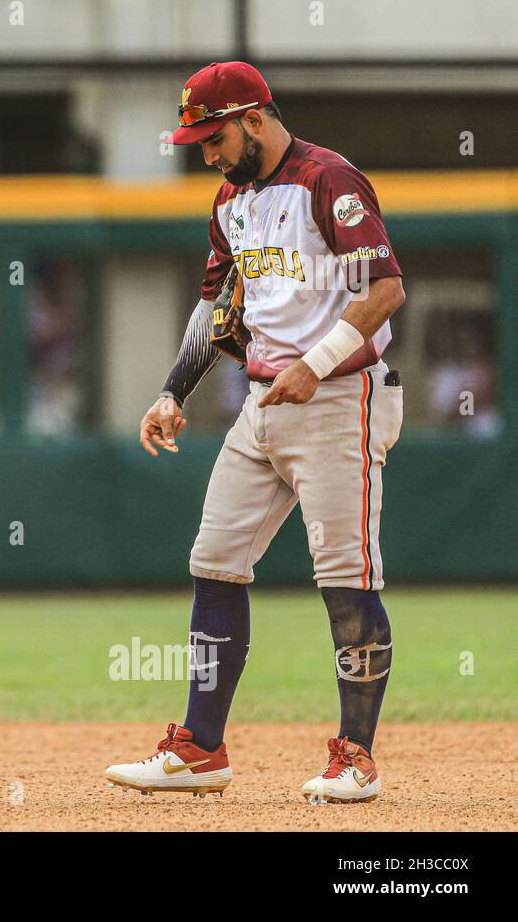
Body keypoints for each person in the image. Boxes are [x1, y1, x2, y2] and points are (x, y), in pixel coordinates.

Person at [107, 62, 405, 803]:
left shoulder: (328, 179)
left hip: (341, 395)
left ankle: (356, 757)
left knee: (346, 574)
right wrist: (175, 390)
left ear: (253, 118)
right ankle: (201, 749)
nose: (206, 153)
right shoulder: (229, 199)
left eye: (212, 137)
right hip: (265, 401)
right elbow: (217, 309)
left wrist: (317, 360)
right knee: (215, 559)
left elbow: (386, 287)